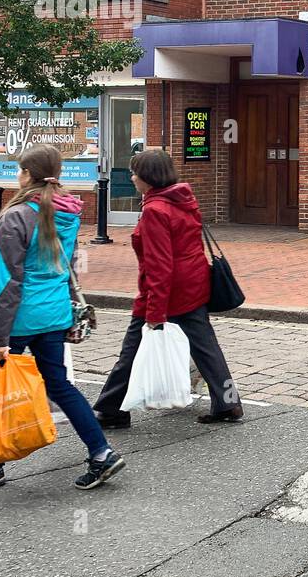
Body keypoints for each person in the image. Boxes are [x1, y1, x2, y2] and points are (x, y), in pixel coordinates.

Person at [0, 144, 126, 491]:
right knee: (59, 385)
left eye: (19, 169)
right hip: (54, 313)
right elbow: (68, 267)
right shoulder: (67, 212)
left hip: (17, 320)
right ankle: (101, 452)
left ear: (28, 174)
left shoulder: (15, 216)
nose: (17, 175)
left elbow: (6, 281)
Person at [93, 149, 243, 426]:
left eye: (135, 172)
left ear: (147, 178)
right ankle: (228, 402)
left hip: (166, 291)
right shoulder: (183, 200)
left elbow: (159, 266)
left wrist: (154, 312)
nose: (132, 177)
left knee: (133, 348)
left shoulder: (155, 211)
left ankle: (111, 409)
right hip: (194, 284)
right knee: (206, 347)